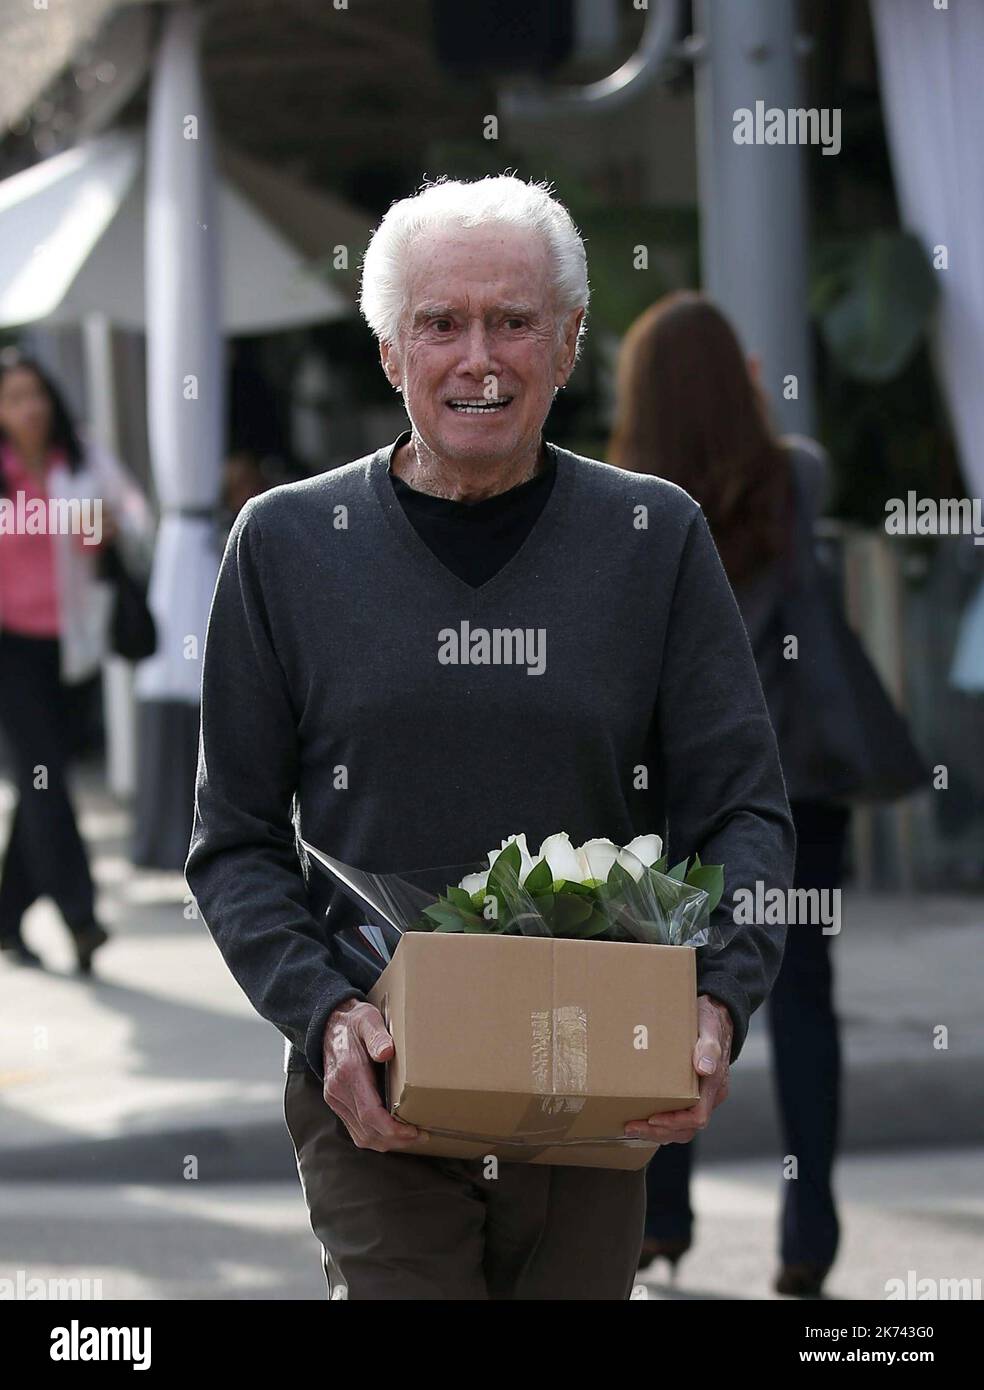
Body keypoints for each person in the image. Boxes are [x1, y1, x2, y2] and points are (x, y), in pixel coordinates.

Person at [184, 176, 796, 1301]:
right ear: (388, 351)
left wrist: (716, 1000)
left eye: (514, 322)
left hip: (589, 1084)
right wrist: (326, 1020)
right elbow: (233, 843)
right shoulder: (285, 547)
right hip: (379, 1090)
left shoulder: (651, 539)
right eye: (441, 323)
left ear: (566, 347)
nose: (480, 358)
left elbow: (744, 809)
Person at [607, 290, 885, 1297]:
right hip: (798, 779)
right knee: (805, 998)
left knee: (666, 992)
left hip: (677, 793)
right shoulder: (793, 476)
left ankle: (660, 1220)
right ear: (741, 381)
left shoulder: (623, 498)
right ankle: (806, 1235)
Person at [0, 350, 154, 973]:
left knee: (46, 779)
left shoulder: (82, 456)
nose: (28, 408)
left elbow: (138, 515)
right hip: (8, 647)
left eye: (34, 393)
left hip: (72, 646)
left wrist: (112, 528)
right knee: (45, 780)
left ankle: (6, 916)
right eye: (12, 398)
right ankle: (82, 917)